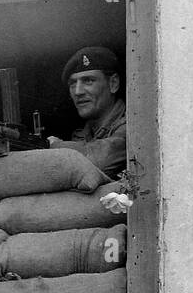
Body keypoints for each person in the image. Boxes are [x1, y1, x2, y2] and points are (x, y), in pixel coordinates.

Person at [48, 46, 131, 212]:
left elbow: (102, 158)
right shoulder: (80, 136)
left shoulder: (131, 125)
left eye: (88, 81)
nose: (78, 91)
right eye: (73, 83)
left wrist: (54, 148)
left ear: (113, 84)